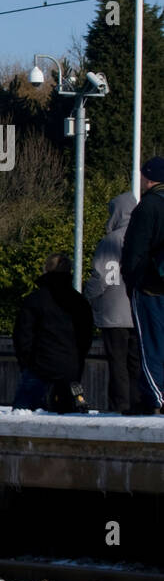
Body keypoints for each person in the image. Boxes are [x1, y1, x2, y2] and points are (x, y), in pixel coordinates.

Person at [85, 193, 144, 414]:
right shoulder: (143, 235)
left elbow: (101, 277)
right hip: (138, 311)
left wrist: (88, 296)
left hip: (113, 312)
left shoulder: (111, 241)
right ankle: (139, 402)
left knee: (117, 362)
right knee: (136, 363)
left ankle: (120, 404)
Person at [12, 253, 94, 412]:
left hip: (39, 368)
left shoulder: (34, 300)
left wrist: (27, 363)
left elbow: (22, 336)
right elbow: (86, 337)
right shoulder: (80, 302)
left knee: (22, 414)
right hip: (70, 369)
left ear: (46, 270)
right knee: (71, 413)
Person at [122, 156, 164, 414]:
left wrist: (132, 281)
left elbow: (134, 250)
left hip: (150, 286)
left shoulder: (148, 207)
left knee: (151, 345)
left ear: (148, 178)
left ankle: (155, 398)